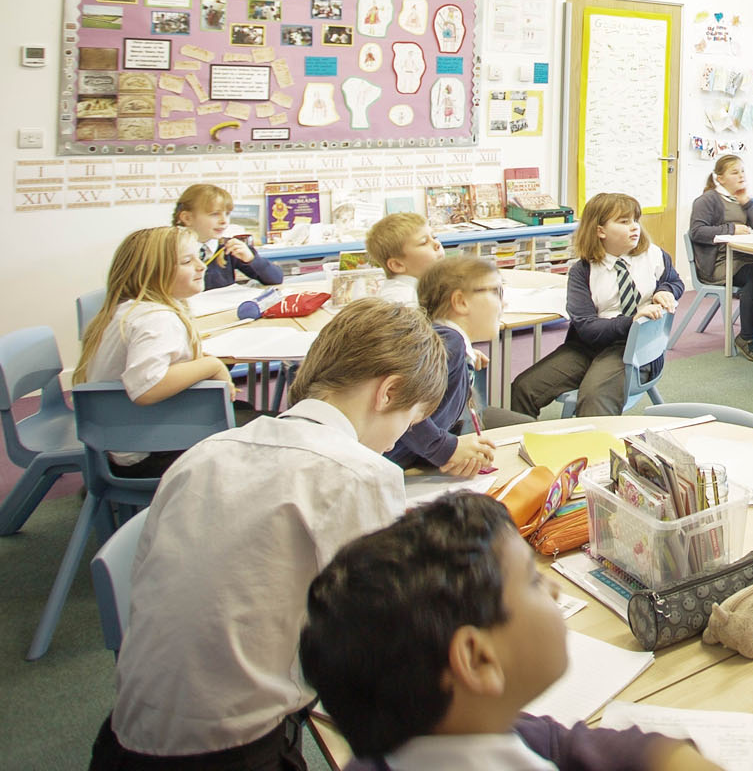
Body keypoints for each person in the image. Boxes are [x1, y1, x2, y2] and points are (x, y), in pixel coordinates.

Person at [87, 298, 446, 771]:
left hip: (123, 738)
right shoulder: (359, 473)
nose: (398, 439)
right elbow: (382, 643)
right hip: (233, 753)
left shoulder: (206, 453)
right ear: (389, 392)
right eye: (410, 421)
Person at [300, 494, 720, 771]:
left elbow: (553, 740)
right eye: (533, 581)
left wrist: (665, 756)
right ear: (479, 659)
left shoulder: (413, 738)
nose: (554, 589)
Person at [74, 226, 235, 477]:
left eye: (198, 257)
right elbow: (148, 387)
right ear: (151, 273)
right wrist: (212, 365)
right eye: (186, 261)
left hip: (119, 439)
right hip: (146, 451)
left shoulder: (133, 309)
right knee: (266, 429)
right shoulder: (156, 319)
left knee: (241, 410)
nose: (201, 266)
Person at [514, 193, 683, 416]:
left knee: (594, 397)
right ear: (600, 230)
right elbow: (587, 327)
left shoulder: (654, 255)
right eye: (624, 222)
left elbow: (674, 281)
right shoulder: (582, 270)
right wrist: (630, 320)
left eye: (635, 220)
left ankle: (596, 450)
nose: (634, 228)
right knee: (523, 389)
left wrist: (665, 290)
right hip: (590, 346)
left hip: (633, 349)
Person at [390, 255, 533, 475]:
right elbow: (400, 402)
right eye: (497, 292)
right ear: (460, 302)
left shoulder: (446, 341)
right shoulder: (449, 342)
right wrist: (445, 449)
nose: (504, 303)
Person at [687, 155, 753, 363]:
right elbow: (696, 232)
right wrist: (731, 229)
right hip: (718, 263)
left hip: (745, 257)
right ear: (720, 179)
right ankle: (746, 337)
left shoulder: (742, 199)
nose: (741, 175)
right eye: (734, 172)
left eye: (742, 171)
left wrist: (747, 203)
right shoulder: (708, 200)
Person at [172, 183, 282, 291]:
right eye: (215, 214)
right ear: (187, 218)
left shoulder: (228, 247)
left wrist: (251, 259)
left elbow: (276, 279)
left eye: (227, 214)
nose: (224, 221)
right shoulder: (170, 249)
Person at [366, 212, 444, 308]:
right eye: (424, 242)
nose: (437, 244)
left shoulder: (421, 286)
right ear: (397, 265)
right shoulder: (400, 298)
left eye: (434, 237)